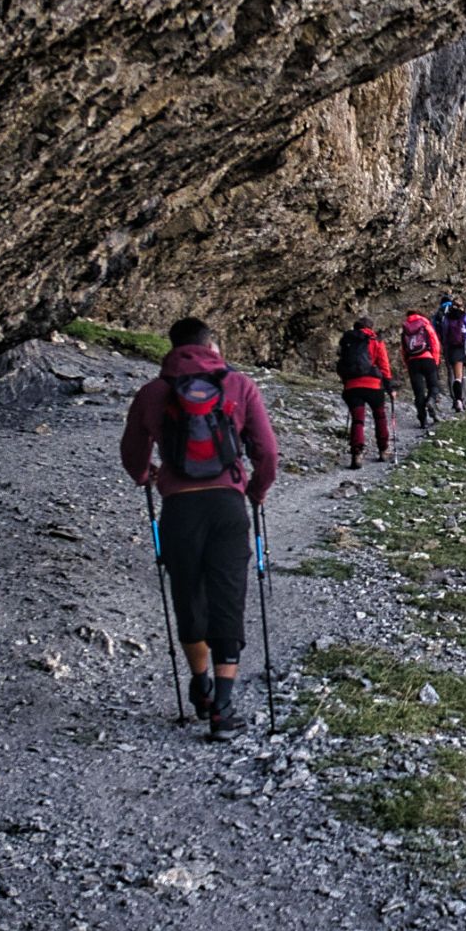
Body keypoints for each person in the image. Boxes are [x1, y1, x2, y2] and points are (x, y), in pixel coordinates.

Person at [120, 317, 279, 739]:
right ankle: (223, 707)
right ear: (213, 346)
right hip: (228, 504)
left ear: (171, 348)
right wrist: (257, 491)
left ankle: (200, 682)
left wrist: (145, 476)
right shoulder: (239, 385)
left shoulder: (154, 392)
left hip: (179, 508)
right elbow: (267, 452)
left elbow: (133, 453)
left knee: (189, 593)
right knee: (228, 594)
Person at [337, 315, 393, 468]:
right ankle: (383, 450)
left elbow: (342, 364)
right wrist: (389, 387)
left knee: (358, 420)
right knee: (380, 416)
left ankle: (357, 454)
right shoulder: (375, 340)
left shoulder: (348, 341)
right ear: (371, 327)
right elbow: (384, 365)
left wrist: (346, 381)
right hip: (373, 385)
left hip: (352, 386)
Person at [435, 295, 466, 412]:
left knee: (458, 378)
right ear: (462, 307)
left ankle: (458, 401)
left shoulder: (447, 319)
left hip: (454, 350)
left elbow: (445, 336)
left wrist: (446, 351)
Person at [399, 305, 443, 430]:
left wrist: (408, 363)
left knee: (418, 393)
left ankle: (422, 421)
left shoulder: (405, 328)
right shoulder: (424, 323)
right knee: (434, 386)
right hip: (427, 358)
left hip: (413, 362)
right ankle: (431, 401)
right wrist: (435, 360)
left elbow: (404, 349)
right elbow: (434, 342)